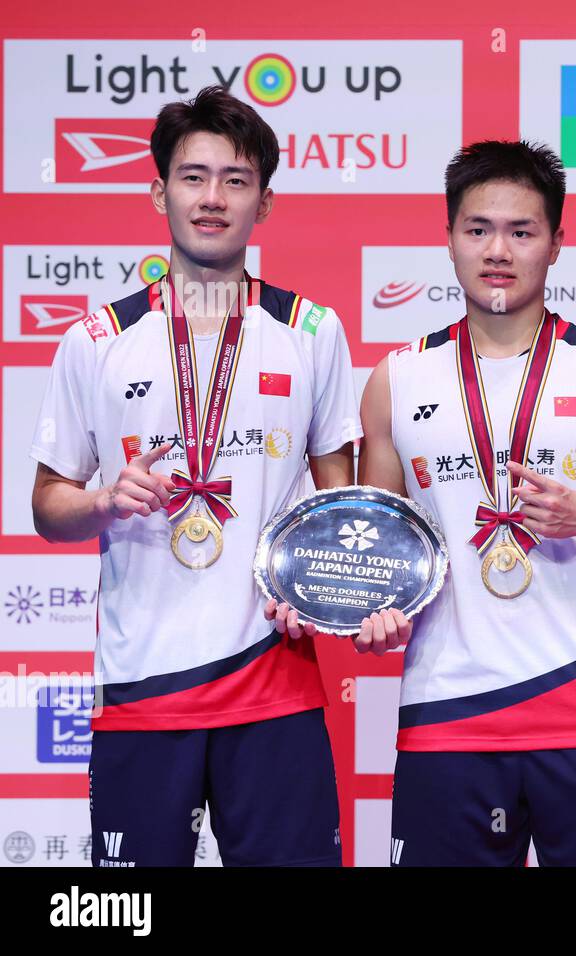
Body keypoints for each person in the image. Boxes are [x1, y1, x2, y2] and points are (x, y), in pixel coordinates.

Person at [30, 86, 362, 867]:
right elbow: (48, 507)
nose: (213, 198)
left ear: (265, 203)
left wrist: (319, 587)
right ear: (158, 191)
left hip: (274, 687)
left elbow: (344, 509)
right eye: (193, 177)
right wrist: (105, 501)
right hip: (142, 690)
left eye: (236, 180)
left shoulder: (311, 331)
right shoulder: (97, 338)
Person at [358, 140, 576, 866]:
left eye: (523, 231)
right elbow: (375, 551)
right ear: (448, 238)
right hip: (446, 713)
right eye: (477, 228)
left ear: (556, 244)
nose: (498, 250)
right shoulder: (396, 380)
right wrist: (370, 611)